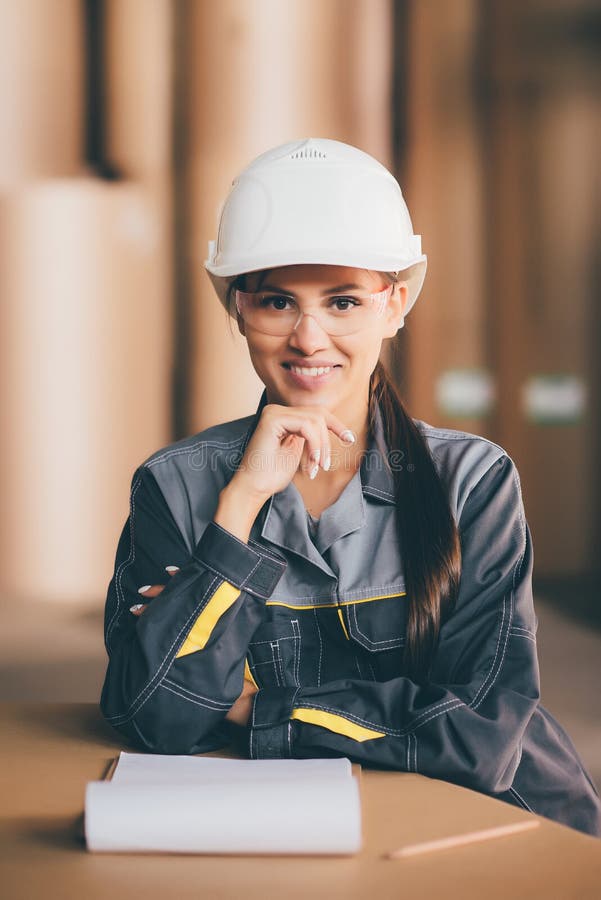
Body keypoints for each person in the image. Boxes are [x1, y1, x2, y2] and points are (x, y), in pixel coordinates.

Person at [100, 138, 600, 837]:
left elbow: (481, 737)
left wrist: (251, 707)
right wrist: (238, 506)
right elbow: (155, 716)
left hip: (490, 826)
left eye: (342, 301)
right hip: (279, 829)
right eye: (277, 301)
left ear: (394, 306)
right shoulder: (178, 486)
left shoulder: (472, 482)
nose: (308, 338)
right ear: (239, 310)